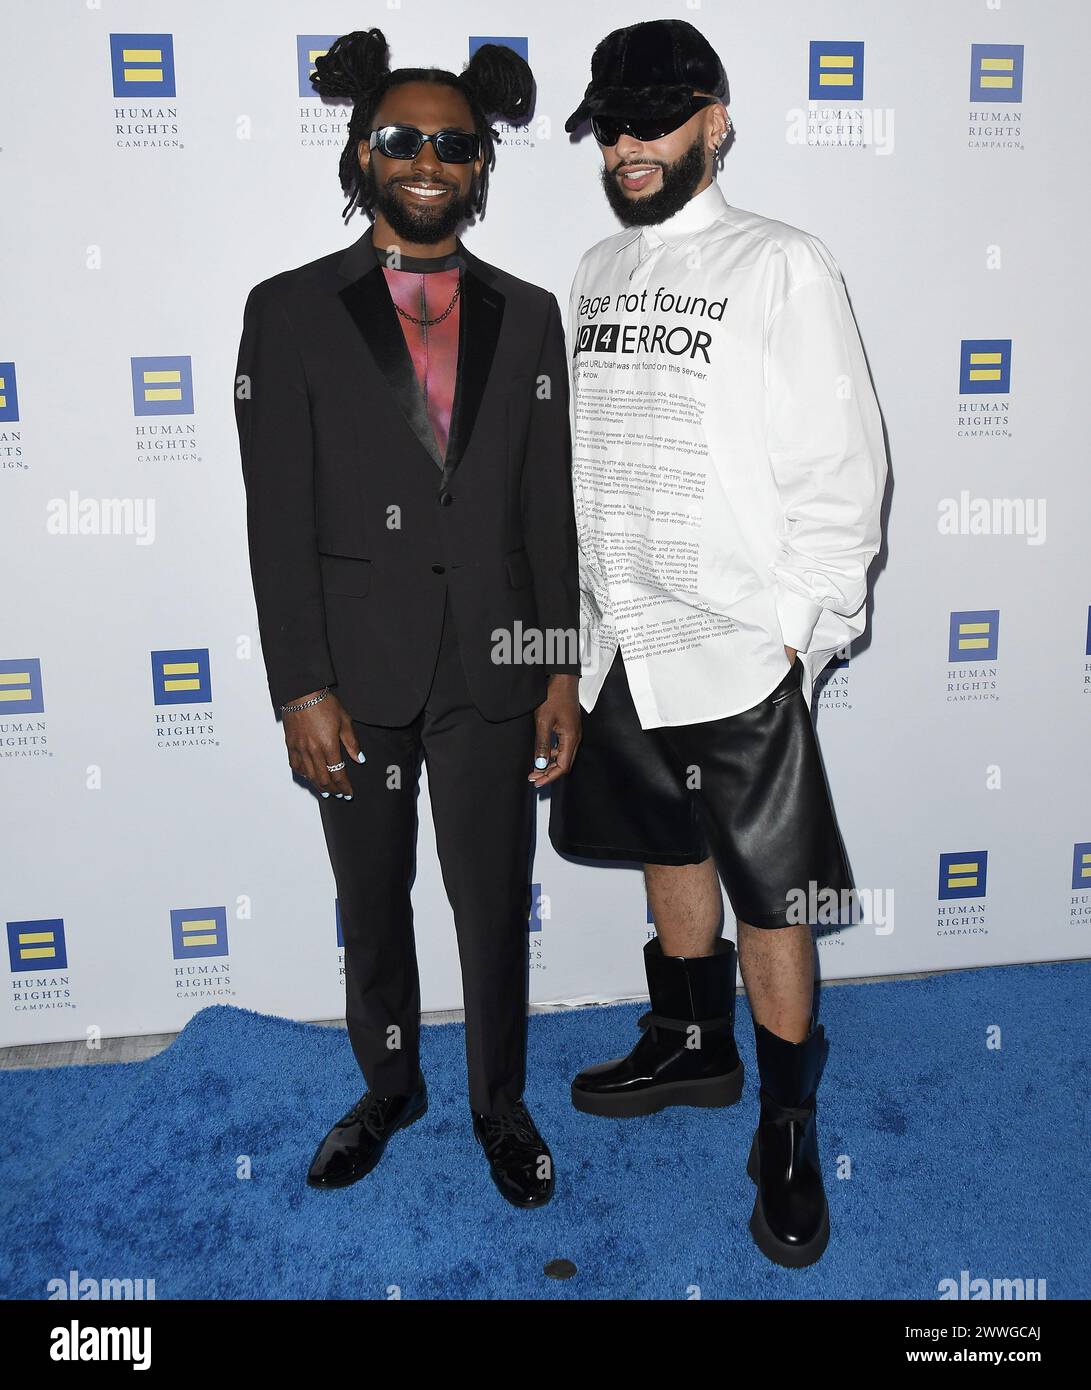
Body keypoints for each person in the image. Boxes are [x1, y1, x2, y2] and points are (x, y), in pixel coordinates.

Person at [550, 18, 887, 1265]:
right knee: (659, 843)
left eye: (653, 120)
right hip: (621, 639)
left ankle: (787, 1126)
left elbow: (839, 468)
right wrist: (579, 637)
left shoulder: (782, 263)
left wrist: (801, 636)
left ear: (716, 120)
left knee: (771, 896)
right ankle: (690, 1042)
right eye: (611, 127)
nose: (628, 146)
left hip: (742, 646)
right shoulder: (591, 269)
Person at [234, 28, 581, 1209]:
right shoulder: (287, 313)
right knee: (371, 901)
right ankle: (389, 1088)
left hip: (492, 672)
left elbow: (546, 512)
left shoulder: (530, 316)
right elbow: (274, 517)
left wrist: (557, 671)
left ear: (481, 166)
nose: (426, 160)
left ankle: (500, 1103)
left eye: (452, 143)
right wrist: (300, 685)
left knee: (491, 907)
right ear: (360, 152)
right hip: (357, 676)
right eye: (401, 139)